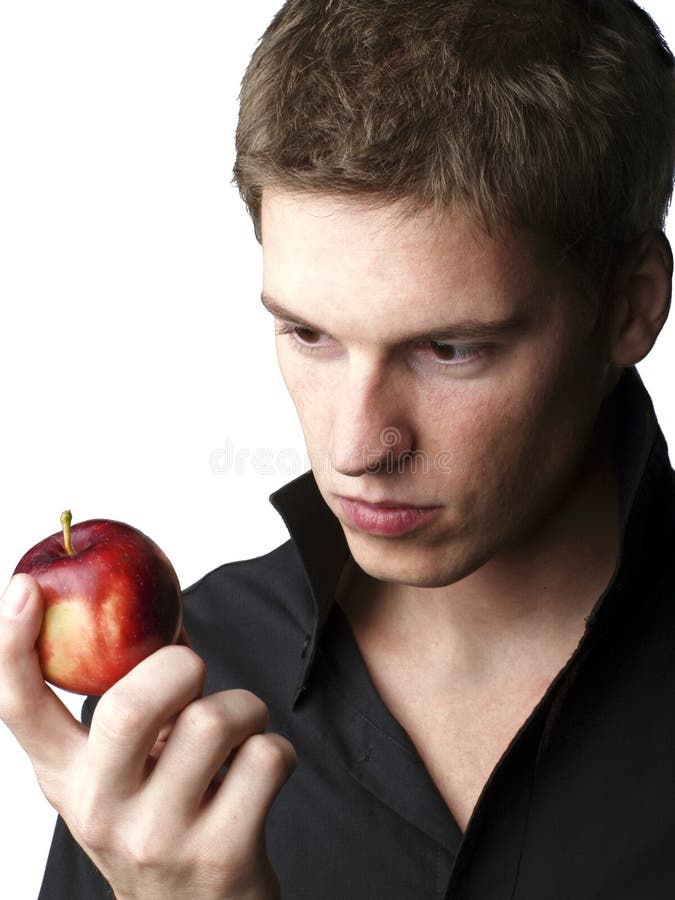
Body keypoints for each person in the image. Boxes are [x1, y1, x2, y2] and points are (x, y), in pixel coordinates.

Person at [2, 0, 674, 897]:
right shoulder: (174, 697)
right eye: (309, 334)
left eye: (449, 349)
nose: (357, 449)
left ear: (631, 306)